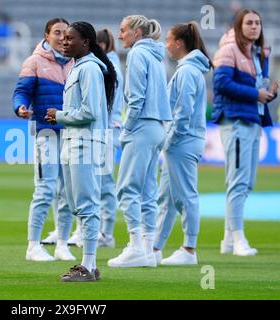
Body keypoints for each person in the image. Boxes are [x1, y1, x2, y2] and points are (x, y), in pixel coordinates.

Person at [45, 21, 116, 281]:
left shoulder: (89, 70)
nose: (64, 41)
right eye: (62, 37)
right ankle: (90, 264)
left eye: (70, 38)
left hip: (84, 143)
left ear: (85, 42)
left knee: (86, 204)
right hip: (73, 142)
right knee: (76, 203)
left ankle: (87, 266)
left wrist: (60, 115)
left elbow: (91, 112)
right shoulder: (78, 67)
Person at [211, 9, 279, 256]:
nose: (254, 27)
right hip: (236, 121)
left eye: (258, 23)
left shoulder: (258, 54)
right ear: (239, 27)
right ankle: (238, 239)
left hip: (252, 119)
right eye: (249, 23)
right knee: (238, 182)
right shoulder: (229, 51)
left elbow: (255, 87)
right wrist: (255, 94)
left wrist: (268, 93)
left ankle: (229, 239)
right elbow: (220, 83)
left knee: (245, 183)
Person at [108, 15, 171, 268]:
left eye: (123, 30)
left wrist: (127, 128)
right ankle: (147, 249)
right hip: (157, 126)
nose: (120, 35)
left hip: (142, 125)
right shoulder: (156, 55)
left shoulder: (136, 54)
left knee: (127, 188)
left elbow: (135, 98)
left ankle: (135, 246)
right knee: (147, 190)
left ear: (136, 32)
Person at [12, 18, 76, 262]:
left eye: (65, 33)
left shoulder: (76, 61)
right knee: (45, 189)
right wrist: (20, 108)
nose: (62, 37)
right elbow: (21, 91)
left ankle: (62, 243)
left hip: (71, 132)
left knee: (68, 192)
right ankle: (33, 246)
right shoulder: (34, 61)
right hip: (46, 133)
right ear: (46, 36)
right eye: (56, 32)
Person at [153, 22, 212, 265]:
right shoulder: (187, 70)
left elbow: (183, 111)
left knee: (186, 196)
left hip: (183, 143)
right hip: (183, 142)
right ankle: (155, 247)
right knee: (166, 197)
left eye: (168, 40)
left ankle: (189, 249)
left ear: (179, 43)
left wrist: (169, 140)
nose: (165, 45)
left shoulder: (187, 71)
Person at [96, 28, 124, 248]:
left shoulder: (108, 67)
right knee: (101, 181)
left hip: (107, 130)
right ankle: (102, 230)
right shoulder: (110, 65)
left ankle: (106, 233)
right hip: (109, 129)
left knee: (104, 182)